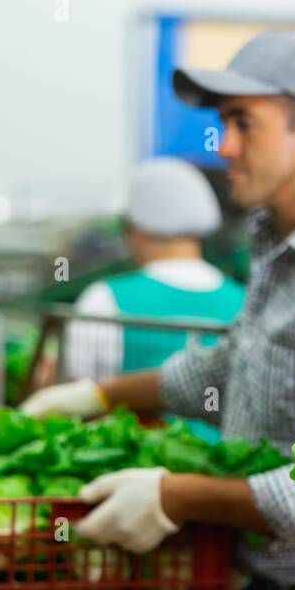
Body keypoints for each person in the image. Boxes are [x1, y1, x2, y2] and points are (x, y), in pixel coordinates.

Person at [21, 31, 295, 590]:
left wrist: (177, 496)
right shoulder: (277, 249)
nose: (222, 146)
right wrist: (96, 396)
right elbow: (230, 367)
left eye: (241, 124)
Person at [63, 158, 245, 441]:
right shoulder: (245, 301)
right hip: (224, 475)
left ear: (135, 230)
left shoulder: (103, 299)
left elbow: (76, 400)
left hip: (128, 473)